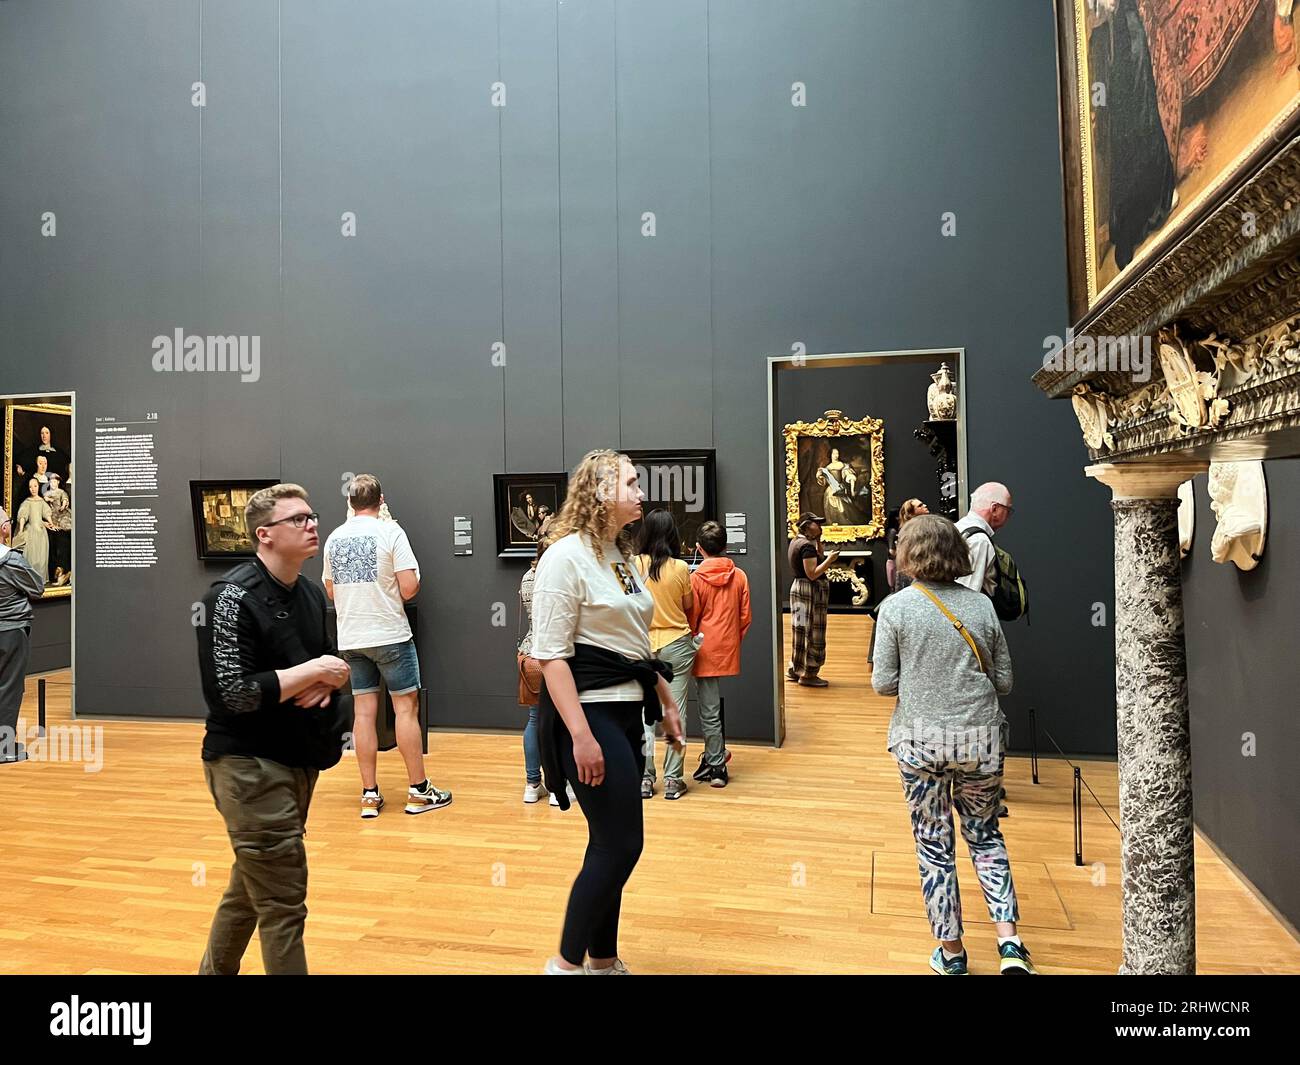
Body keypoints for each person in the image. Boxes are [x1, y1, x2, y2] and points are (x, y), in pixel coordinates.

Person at [531, 449, 685, 974]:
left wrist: (664, 698)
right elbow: (549, 655)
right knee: (621, 844)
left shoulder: (617, 554)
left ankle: (603, 960)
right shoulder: (564, 557)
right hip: (589, 714)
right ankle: (566, 965)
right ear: (600, 492)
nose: (641, 492)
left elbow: (635, 642)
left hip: (624, 711)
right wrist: (581, 736)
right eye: (631, 483)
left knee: (611, 843)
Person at [195, 483, 353, 974]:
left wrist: (332, 674)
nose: (313, 525)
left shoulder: (308, 592)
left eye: (313, 516)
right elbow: (232, 693)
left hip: (297, 761)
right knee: (284, 906)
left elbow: (329, 665)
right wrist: (310, 674)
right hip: (247, 766)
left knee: (250, 889)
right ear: (264, 534)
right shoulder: (228, 599)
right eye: (299, 519)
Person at [871, 514, 1034, 976]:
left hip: (921, 743)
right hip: (981, 739)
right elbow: (1003, 680)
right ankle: (1010, 944)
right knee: (985, 836)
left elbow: (883, 683)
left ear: (908, 555)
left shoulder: (897, 609)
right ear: (957, 554)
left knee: (933, 844)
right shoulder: (981, 607)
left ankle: (953, 951)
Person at [323, 474, 450, 819]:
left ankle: (369, 795)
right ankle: (419, 792)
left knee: (363, 713)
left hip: (351, 638)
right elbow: (409, 589)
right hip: (390, 634)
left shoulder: (334, 538)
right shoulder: (391, 531)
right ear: (381, 501)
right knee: (405, 710)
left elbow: (331, 592)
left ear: (349, 502)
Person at [635, 508, 696, 800]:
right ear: (672, 534)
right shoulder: (682, 568)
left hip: (642, 646)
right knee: (676, 710)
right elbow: (688, 605)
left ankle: (645, 778)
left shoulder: (631, 565)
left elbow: (625, 603)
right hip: (676, 643)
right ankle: (673, 780)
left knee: (644, 714)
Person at [687, 520, 750, 788]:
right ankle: (714, 758)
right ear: (725, 546)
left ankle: (717, 767)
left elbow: (692, 618)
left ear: (699, 549)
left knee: (709, 711)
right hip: (727, 647)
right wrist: (732, 641)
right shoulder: (740, 576)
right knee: (710, 709)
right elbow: (745, 617)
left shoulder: (696, 579)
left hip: (703, 649)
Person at [517, 514, 573, 806]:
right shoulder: (560, 576)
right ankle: (557, 787)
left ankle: (531, 784)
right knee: (563, 721)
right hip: (557, 655)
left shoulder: (528, 577)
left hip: (530, 652)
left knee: (535, 720)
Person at [0, 506, 45, 764]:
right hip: (10, 631)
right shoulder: (11, 560)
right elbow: (37, 586)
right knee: (9, 688)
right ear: (5, 528)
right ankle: (3, 746)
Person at [869, 498, 929, 667]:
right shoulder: (907, 533)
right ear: (910, 513)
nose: (925, 506)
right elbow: (903, 558)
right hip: (909, 577)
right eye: (919, 505)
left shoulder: (915, 530)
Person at [787, 512, 838, 687]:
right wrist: (830, 560)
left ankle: (796, 668)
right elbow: (812, 574)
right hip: (810, 592)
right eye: (817, 524)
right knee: (813, 632)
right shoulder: (806, 546)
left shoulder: (797, 541)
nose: (821, 526)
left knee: (800, 629)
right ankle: (808, 674)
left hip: (800, 590)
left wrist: (818, 541)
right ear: (808, 526)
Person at [956, 482, 1013, 597]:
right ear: (994, 509)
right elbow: (969, 595)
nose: (1009, 515)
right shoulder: (979, 541)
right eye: (1008, 510)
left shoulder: (956, 528)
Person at [15, 479, 53, 582]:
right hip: (31, 532)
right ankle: (30, 581)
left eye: (35, 486)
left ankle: (39, 580)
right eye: (31, 487)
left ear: (38, 486)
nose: (33, 489)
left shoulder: (41, 501)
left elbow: (46, 512)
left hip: (41, 533)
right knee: (31, 557)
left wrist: (50, 522)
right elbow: (23, 515)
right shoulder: (27, 502)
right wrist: (21, 530)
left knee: (41, 558)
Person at [44, 473, 72, 582]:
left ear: (58, 482)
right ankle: (58, 571)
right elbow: (45, 498)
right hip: (52, 516)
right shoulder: (47, 493)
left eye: (55, 481)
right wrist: (48, 499)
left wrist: (63, 504)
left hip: (62, 514)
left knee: (63, 534)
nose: (53, 483)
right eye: (51, 482)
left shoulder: (61, 492)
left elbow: (65, 499)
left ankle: (63, 571)